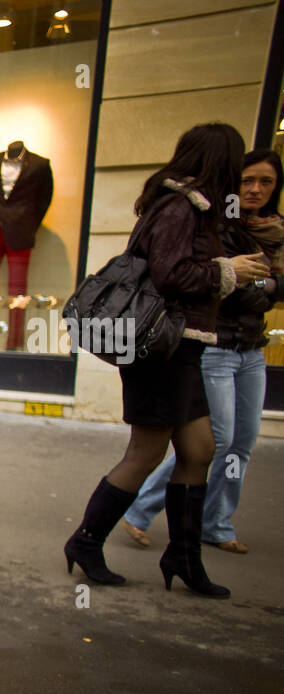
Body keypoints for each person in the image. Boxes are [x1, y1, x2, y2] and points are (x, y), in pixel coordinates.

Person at [63, 123, 271, 597]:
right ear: (221, 161)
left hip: (187, 348)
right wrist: (228, 270)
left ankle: (183, 555)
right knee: (146, 451)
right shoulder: (180, 206)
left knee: (199, 450)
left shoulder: (204, 212)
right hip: (161, 349)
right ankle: (86, 541)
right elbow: (170, 273)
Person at [121, 149, 283, 554]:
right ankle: (140, 509)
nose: (256, 189)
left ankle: (216, 523)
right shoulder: (215, 227)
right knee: (213, 442)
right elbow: (222, 291)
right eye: (248, 180)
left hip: (252, 347)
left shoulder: (275, 232)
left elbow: (267, 291)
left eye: (266, 182)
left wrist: (259, 287)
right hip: (215, 346)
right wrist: (253, 284)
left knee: (241, 442)